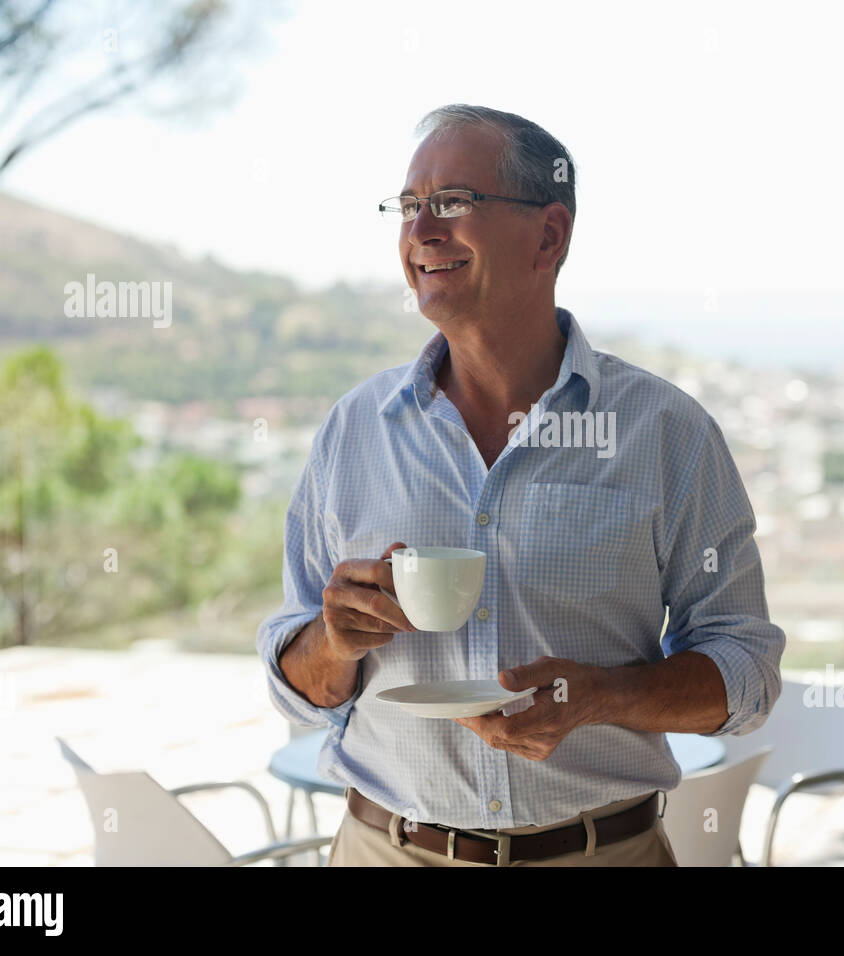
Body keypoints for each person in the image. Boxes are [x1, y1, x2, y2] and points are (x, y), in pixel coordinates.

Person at [256, 104, 786, 866]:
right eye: (409, 208)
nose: (421, 232)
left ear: (550, 235)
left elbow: (747, 673)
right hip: (385, 851)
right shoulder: (353, 431)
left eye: (452, 202)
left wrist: (603, 697)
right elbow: (294, 682)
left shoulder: (664, 431)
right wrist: (333, 642)